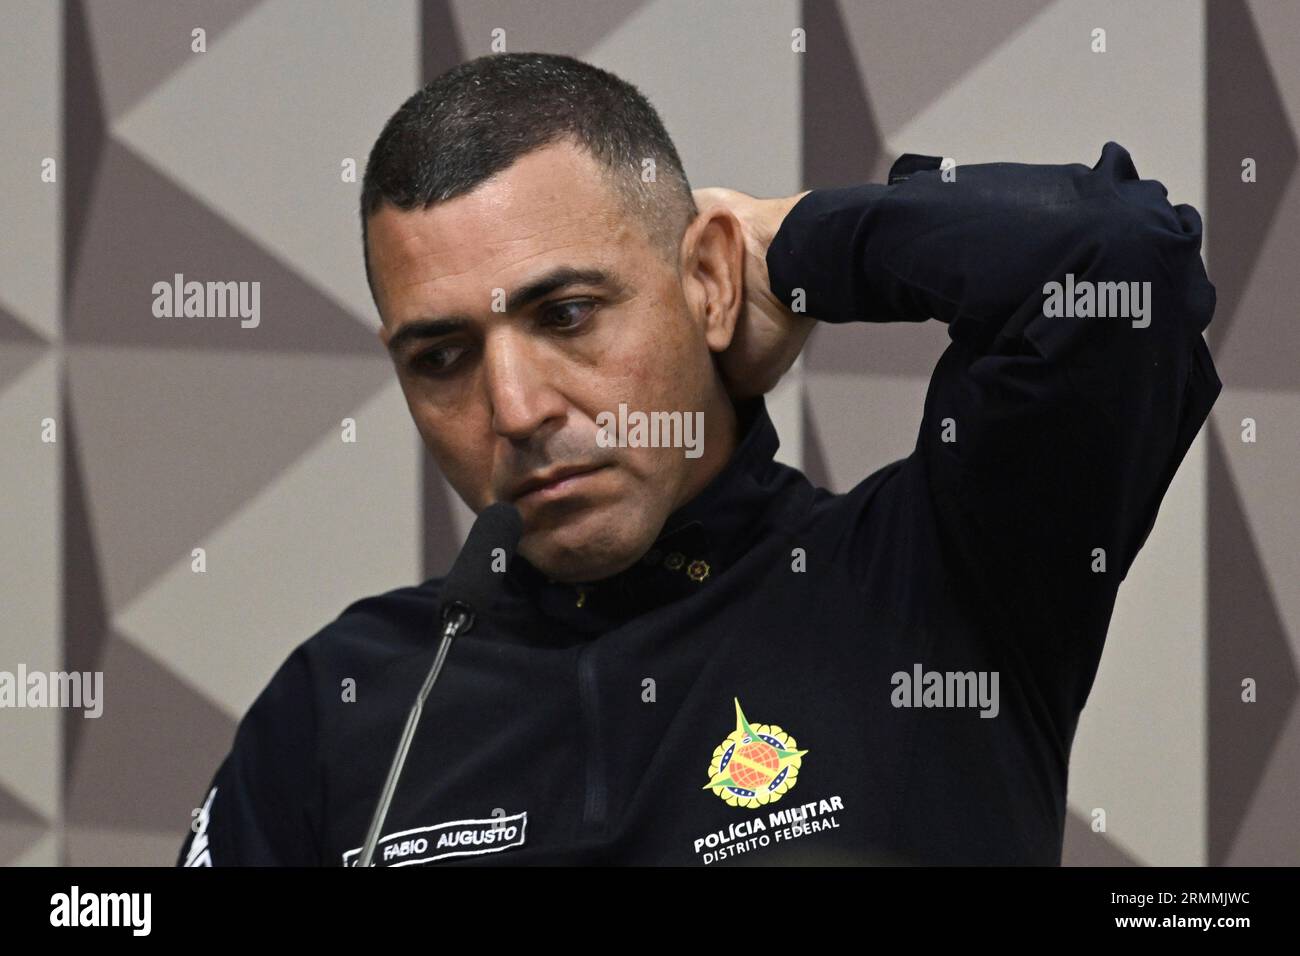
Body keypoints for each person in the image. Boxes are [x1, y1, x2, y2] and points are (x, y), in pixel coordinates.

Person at [177, 52, 1220, 867]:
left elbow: (1117, 258)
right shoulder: (345, 699)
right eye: (441, 356)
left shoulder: (935, 576)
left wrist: (797, 247)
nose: (516, 407)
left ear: (708, 279)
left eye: (569, 312)